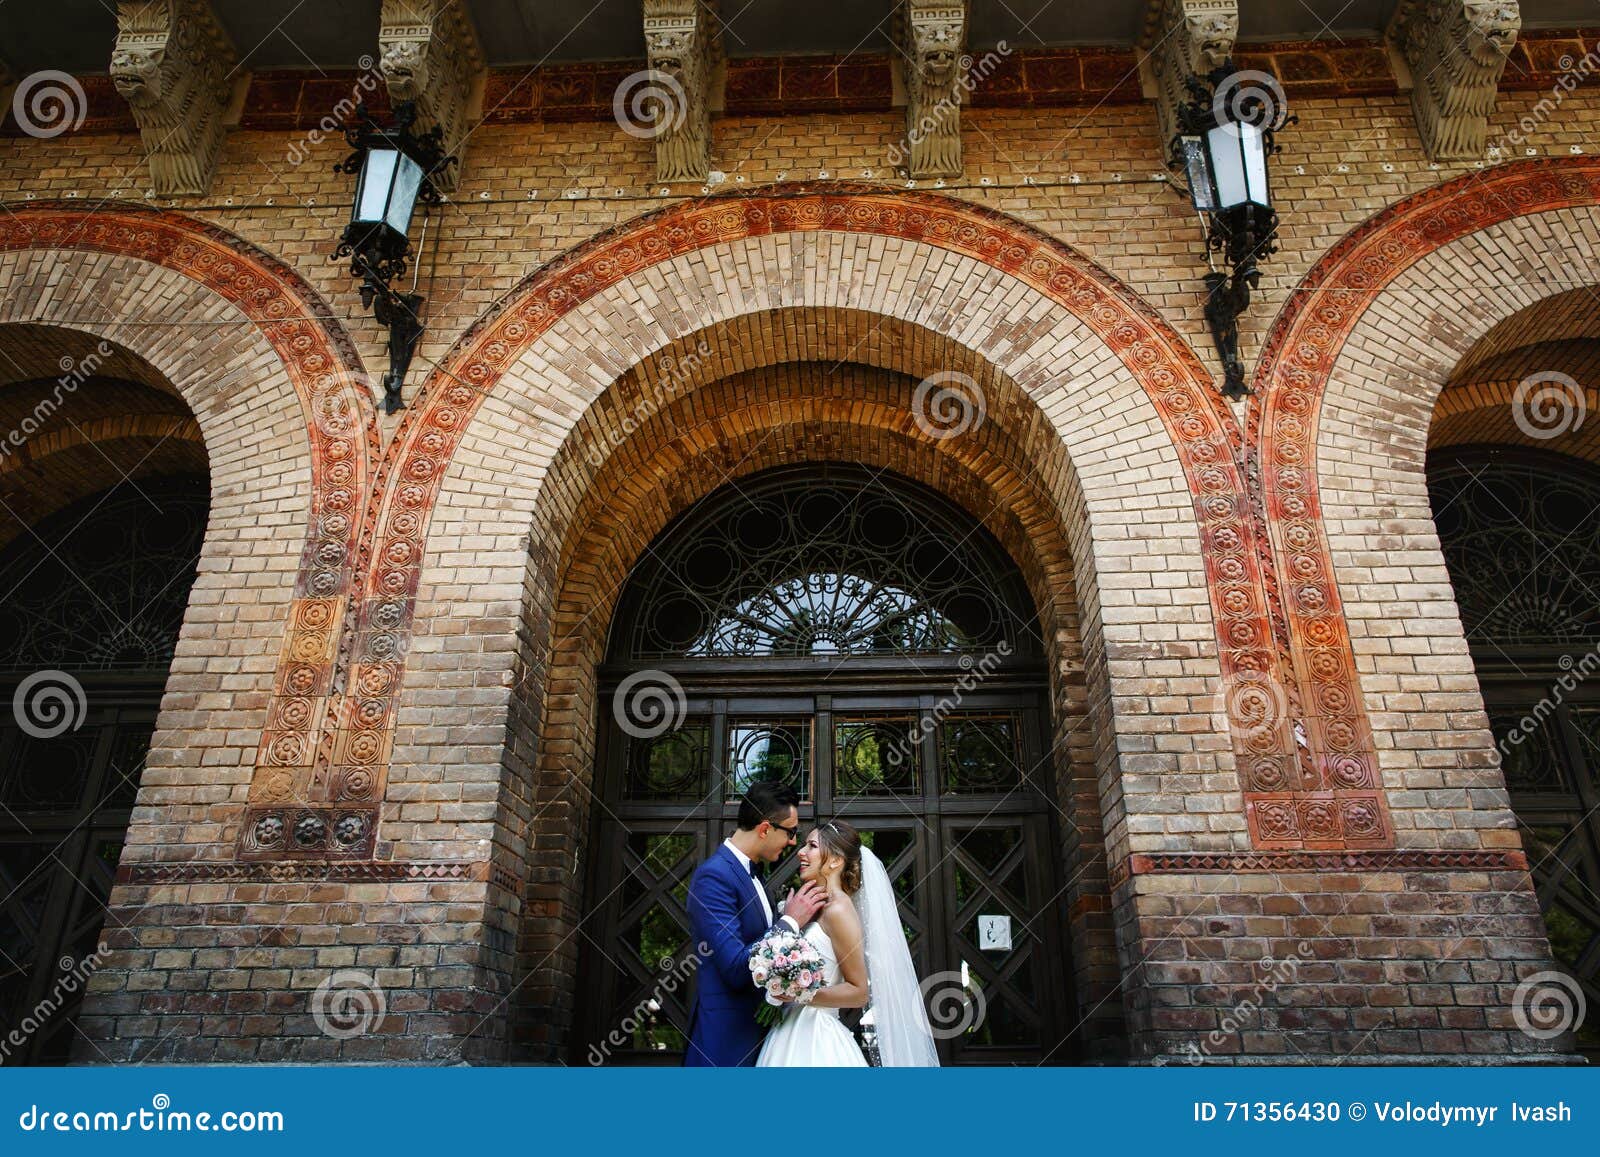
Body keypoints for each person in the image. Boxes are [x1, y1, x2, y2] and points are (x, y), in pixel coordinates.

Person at [757, 819, 940, 1067]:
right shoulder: (817, 907)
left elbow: (858, 992)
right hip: (789, 1029)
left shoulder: (839, 911)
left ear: (835, 860)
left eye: (811, 846)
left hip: (816, 1039)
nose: (801, 852)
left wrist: (798, 993)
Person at [682, 782, 828, 1066]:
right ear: (764, 829)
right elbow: (737, 967)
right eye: (790, 832)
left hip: (766, 1041)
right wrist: (790, 921)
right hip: (725, 1045)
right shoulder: (713, 877)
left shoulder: (755, 875)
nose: (791, 842)